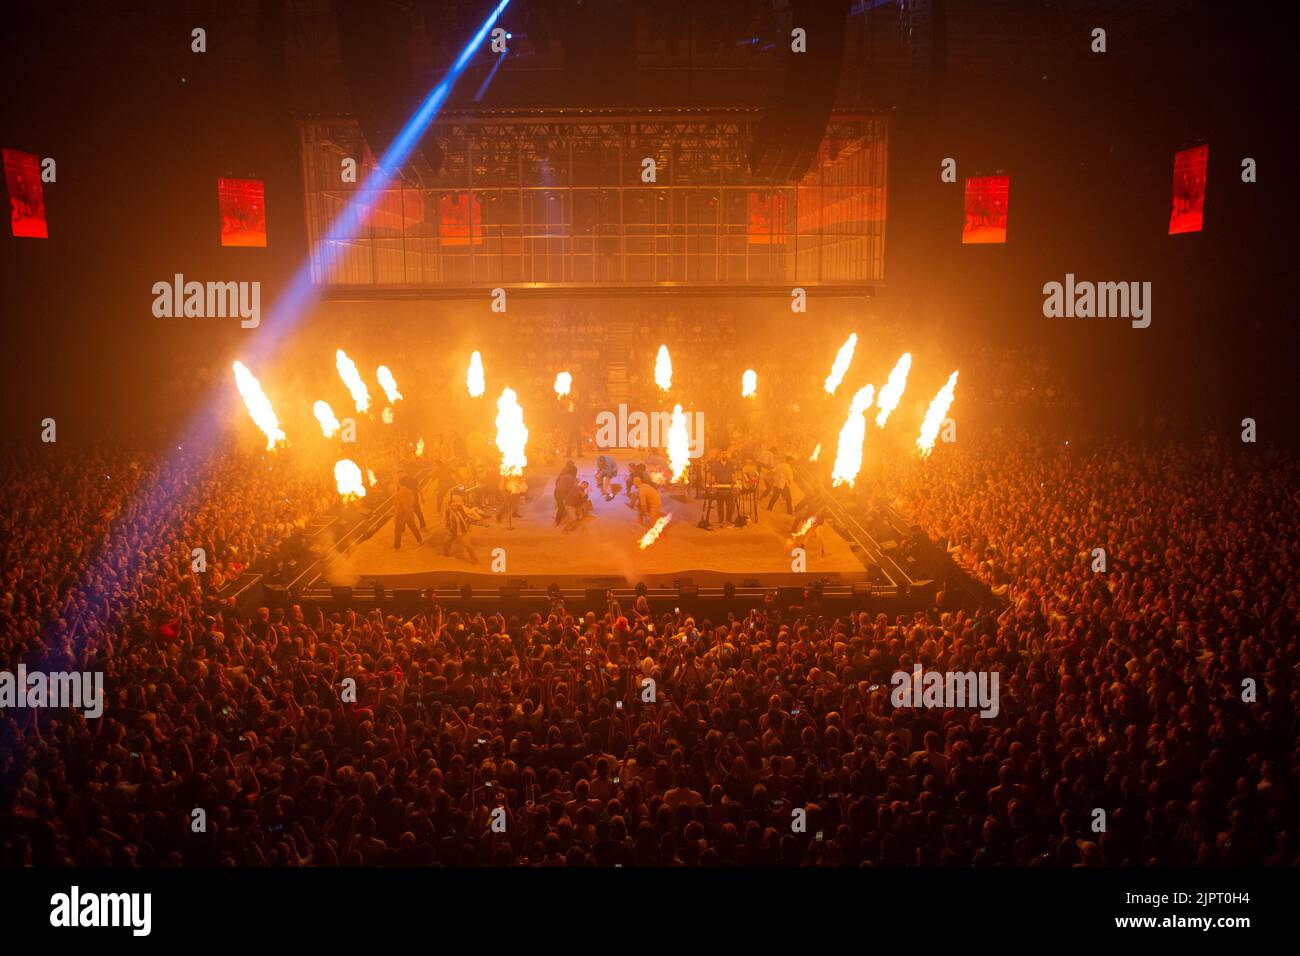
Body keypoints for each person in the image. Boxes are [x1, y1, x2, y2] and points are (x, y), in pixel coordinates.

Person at [443, 494, 479, 563]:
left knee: (467, 544)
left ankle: (474, 558)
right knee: (445, 542)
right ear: (450, 506)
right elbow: (446, 521)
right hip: (453, 531)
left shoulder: (462, 509)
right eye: (453, 506)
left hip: (464, 530)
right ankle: (447, 552)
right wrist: (449, 528)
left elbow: (470, 512)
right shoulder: (447, 512)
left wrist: (477, 517)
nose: (455, 507)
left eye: (456, 505)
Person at [393, 478, 422, 548]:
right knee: (413, 526)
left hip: (401, 513)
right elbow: (413, 501)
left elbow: (397, 506)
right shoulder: (410, 491)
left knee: (397, 530)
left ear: (399, 484)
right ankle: (420, 540)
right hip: (410, 512)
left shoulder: (398, 494)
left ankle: (397, 546)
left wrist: (395, 516)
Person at [554, 460, 578, 526]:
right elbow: (570, 489)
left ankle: (560, 518)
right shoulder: (569, 477)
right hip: (560, 493)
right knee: (561, 507)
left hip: (557, 492)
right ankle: (557, 521)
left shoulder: (566, 473)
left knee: (561, 506)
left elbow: (557, 482)